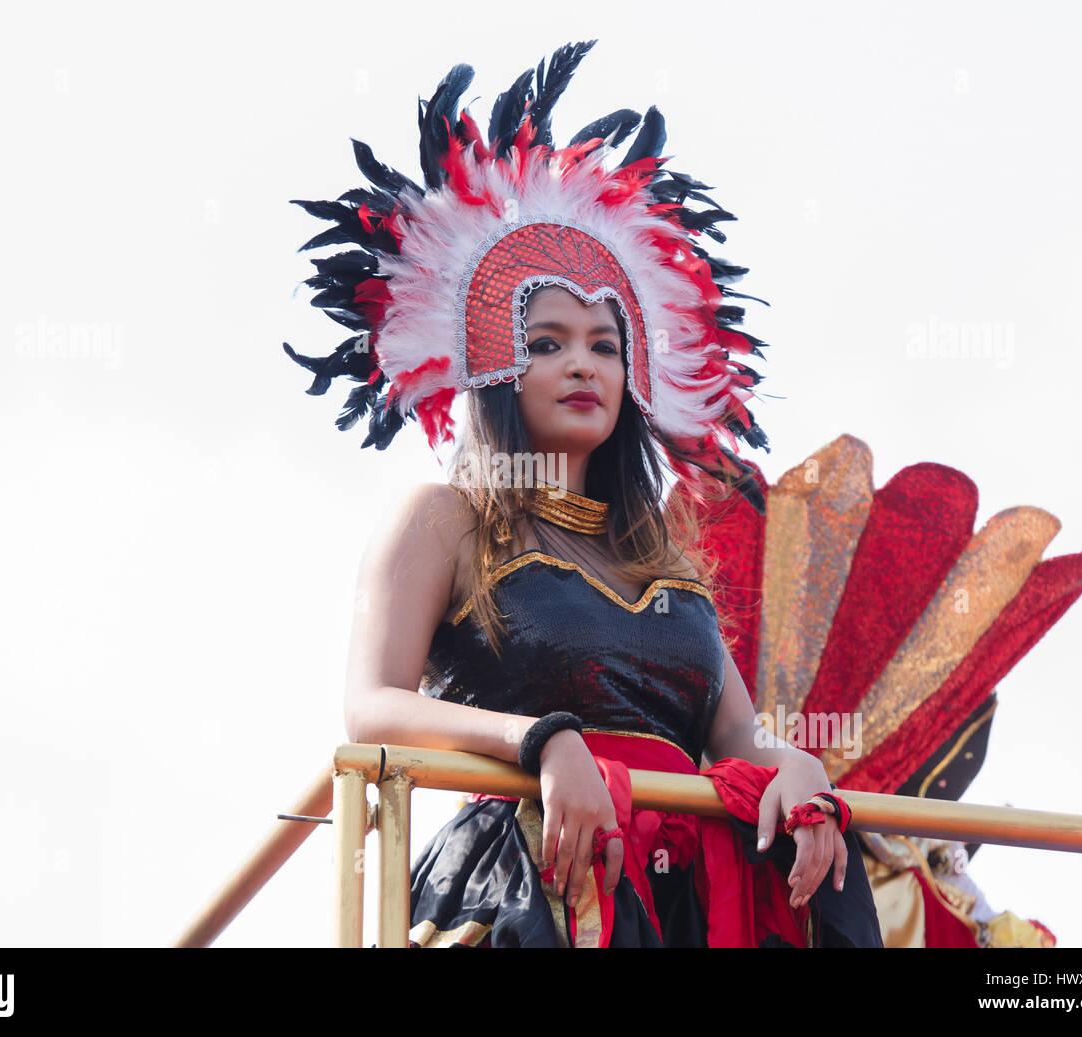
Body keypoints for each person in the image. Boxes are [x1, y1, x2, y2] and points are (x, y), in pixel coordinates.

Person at [286, 40, 882, 947]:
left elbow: (733, 736)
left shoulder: (667, 558)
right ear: (494, 363)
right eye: (548, 341)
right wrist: (543, 740)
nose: (581, 364)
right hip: (534, 883)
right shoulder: (440, 518)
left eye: (605, 345)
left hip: (686, 898)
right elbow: (371, 708)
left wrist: (795, 766)